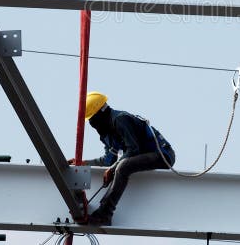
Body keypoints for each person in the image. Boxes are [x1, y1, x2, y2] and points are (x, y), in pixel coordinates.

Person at [70, 92, 175, 226]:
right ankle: (103, 213)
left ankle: (105, 214)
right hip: (144, 157)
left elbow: (133, 149)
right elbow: (108, 161)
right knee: (121, 166)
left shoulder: (120, 119)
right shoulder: (107, 134)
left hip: (162, 155)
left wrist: (113, 168)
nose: (92, 124)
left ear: (101, 113)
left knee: (123, 167)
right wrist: (83, 163)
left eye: (93, 119)